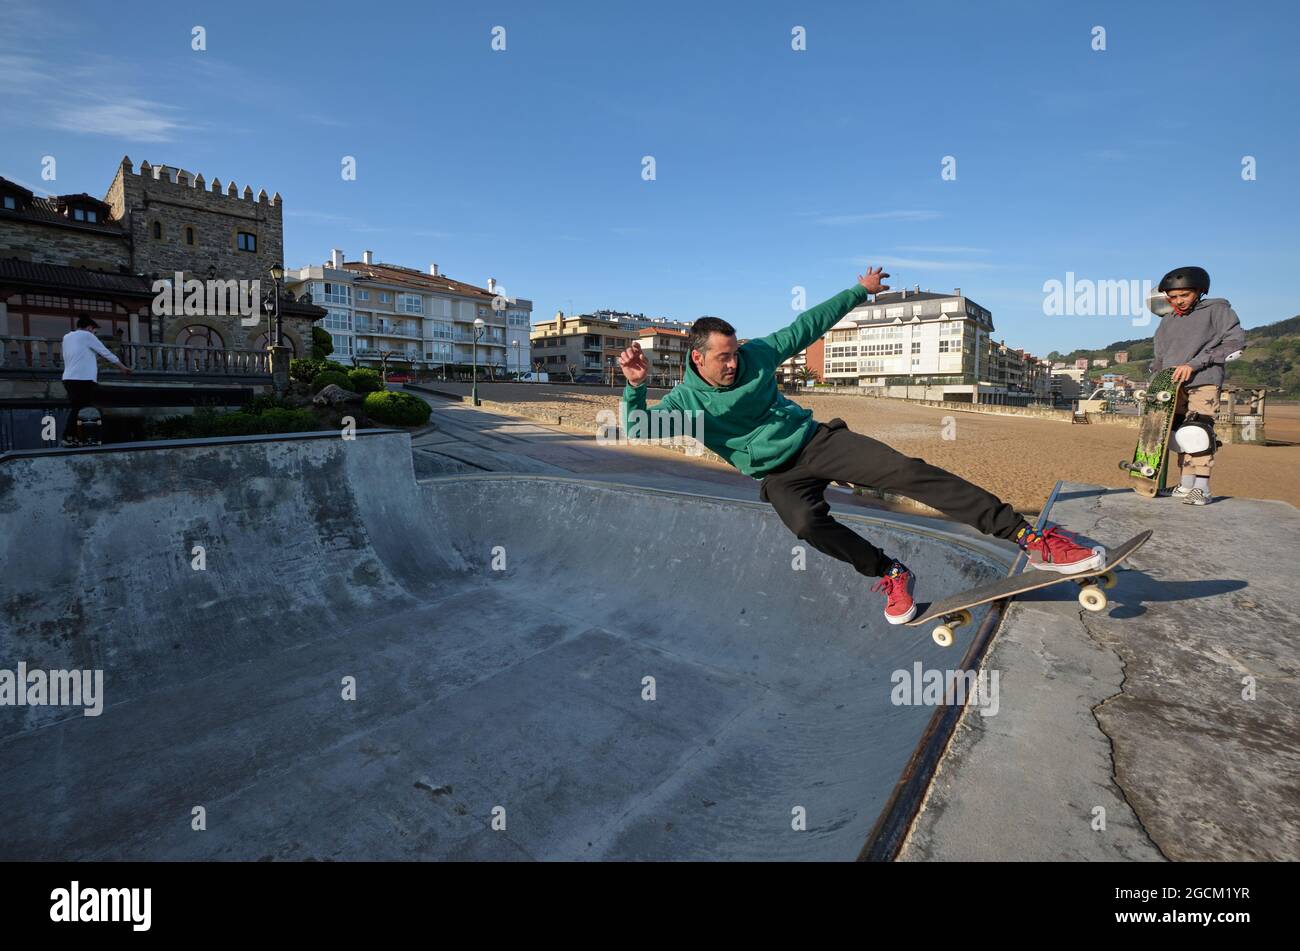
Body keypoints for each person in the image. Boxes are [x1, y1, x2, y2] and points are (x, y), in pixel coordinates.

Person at [617, 268, 1105, 625]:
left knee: (907, 471)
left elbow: (807, 325)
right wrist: (636, 386)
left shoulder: (757, 354)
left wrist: (859, 291)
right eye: (723, 358)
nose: (733, 364)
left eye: (735, 352)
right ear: (697, 358)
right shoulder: (686, 403)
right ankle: (890, 571)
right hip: (778, 475)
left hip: (815, 441)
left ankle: (1030, 539)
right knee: (806, 524)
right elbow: (638, 429)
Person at [1148, 267, 1246, 505]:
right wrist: (1155, 380)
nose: (1178, 301)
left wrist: (1194, 364)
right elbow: (1160, 356)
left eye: (1185, 295)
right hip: (1172, 384)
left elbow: (1235, 343)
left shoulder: (1217, 310)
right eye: (1173, 297)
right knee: (1178, 434)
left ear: (1200, 291)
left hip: (1204, 379)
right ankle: (1185, 484)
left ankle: (1202, 488)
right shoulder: (1168, 321)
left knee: (1197, 432)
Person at [61, 314, 133, 446]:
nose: (95, 333)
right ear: (89, 328)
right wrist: (123, 367)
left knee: (79, 407)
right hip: (82, 379)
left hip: (68, 378)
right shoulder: (87, 336)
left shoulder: (67, 337)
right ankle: (68, 436)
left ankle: (76, 437)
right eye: (95, 331)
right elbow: (105, 352)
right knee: (80, 408)